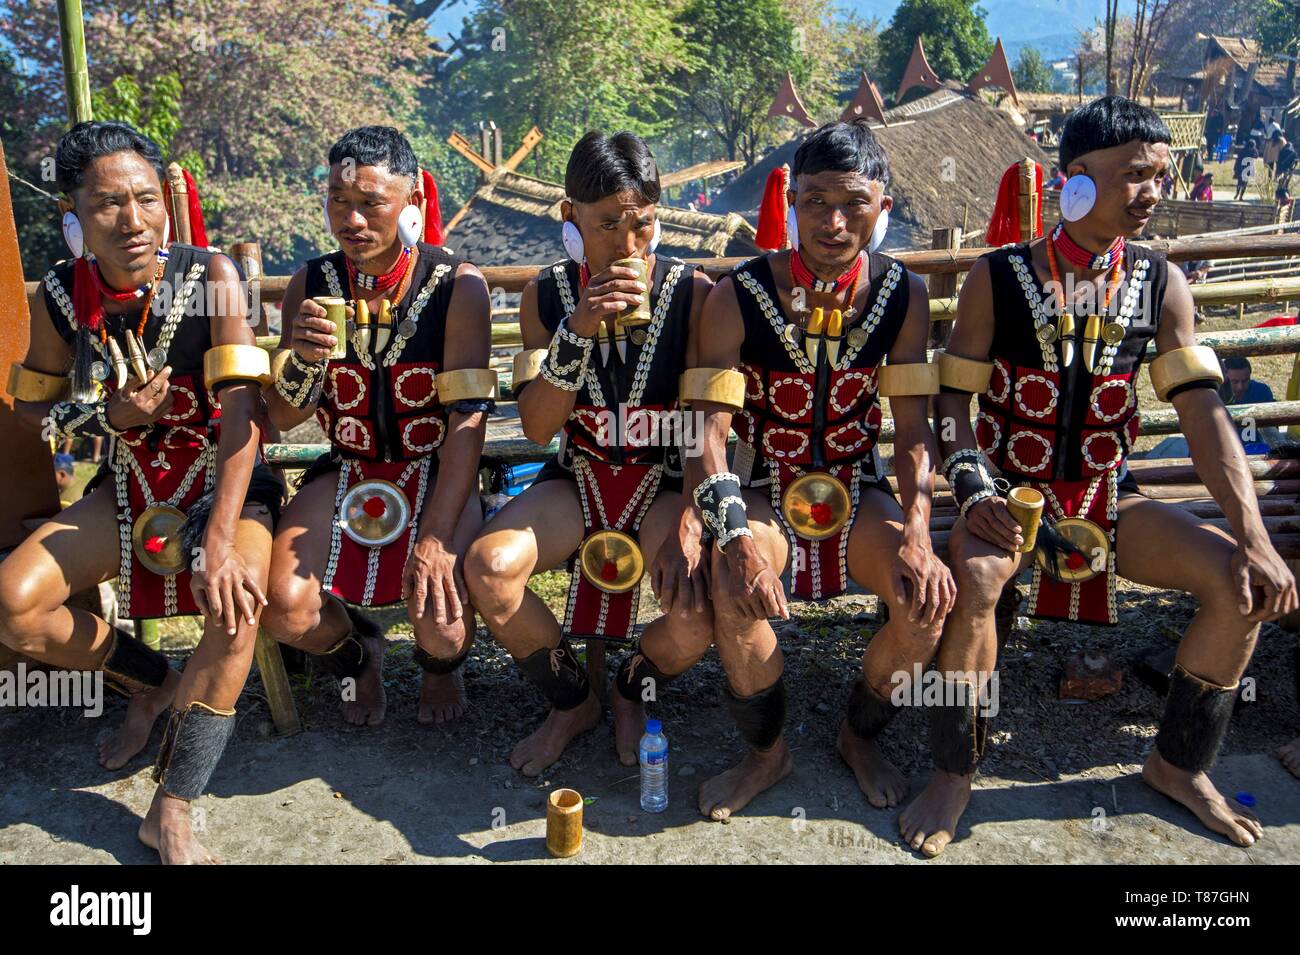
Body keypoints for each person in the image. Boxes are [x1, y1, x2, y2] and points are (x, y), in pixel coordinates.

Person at [912, 95, 1297, 857]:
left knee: (1238, 584)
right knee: (983, 582)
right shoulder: (1000, 276)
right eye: (1133, 176)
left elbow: (1203, 414)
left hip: (1110, 499)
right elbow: (951, 402)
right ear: (1076, 182)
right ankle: (954, 772)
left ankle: (1179, 763)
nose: (1151, 192)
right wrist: (974, 487)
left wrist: (1253, 533)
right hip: (1010, 502)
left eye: (1160, 175)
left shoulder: (1162, 283)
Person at [0, 120, 283, 863]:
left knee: (237, 591)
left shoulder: (212, 275)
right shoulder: (61, 294)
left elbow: (245, 418)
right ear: (74, 216)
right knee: (13, 602)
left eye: (146, 199)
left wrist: (220, 539)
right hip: (129, 484)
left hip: (226, 482)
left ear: (166, 202)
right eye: (106, 205)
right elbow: (28, 408)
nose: (132, 220)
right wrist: (106, 417)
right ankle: (152, 681)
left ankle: (172, 803)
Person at [683, 119, 954, 820]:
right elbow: (707, 433)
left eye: (853, 202)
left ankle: (859, 734)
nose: (834, 222)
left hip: (858, 489)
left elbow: (917, 431)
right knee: (731, 585)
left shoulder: (905, 295)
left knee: (924, 602)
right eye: (815, 202)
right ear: (791, 201)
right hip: (764, 489)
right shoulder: (737, 294)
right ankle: (767, 753)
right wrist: (736, 537)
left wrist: (918, 532)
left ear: (883, 205)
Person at [464, 131, 715, 776]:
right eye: (607, 226)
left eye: (644, 225)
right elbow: (540, 423)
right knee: (490, 568)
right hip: (576, 480)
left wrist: (690, 515)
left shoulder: (695, 294)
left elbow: (701, 427)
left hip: (660, 486)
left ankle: (632, 685)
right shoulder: (544, 297)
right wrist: (577, 329)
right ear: (569, 218)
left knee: (692, 614)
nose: (628, 247)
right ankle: (572, 701)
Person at [261, 126, 493, 727]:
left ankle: (441, 668)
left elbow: (468, 420)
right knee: (284, 609)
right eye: (340, 203)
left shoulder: (457, 285)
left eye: (372, 203)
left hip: (438, 465)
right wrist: (304, 361)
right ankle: (359, 654)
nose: (353, 220)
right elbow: (283, 419)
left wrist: (437, 540)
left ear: (411, 199)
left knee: (441, 628)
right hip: (347, 465)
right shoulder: (310, 285)